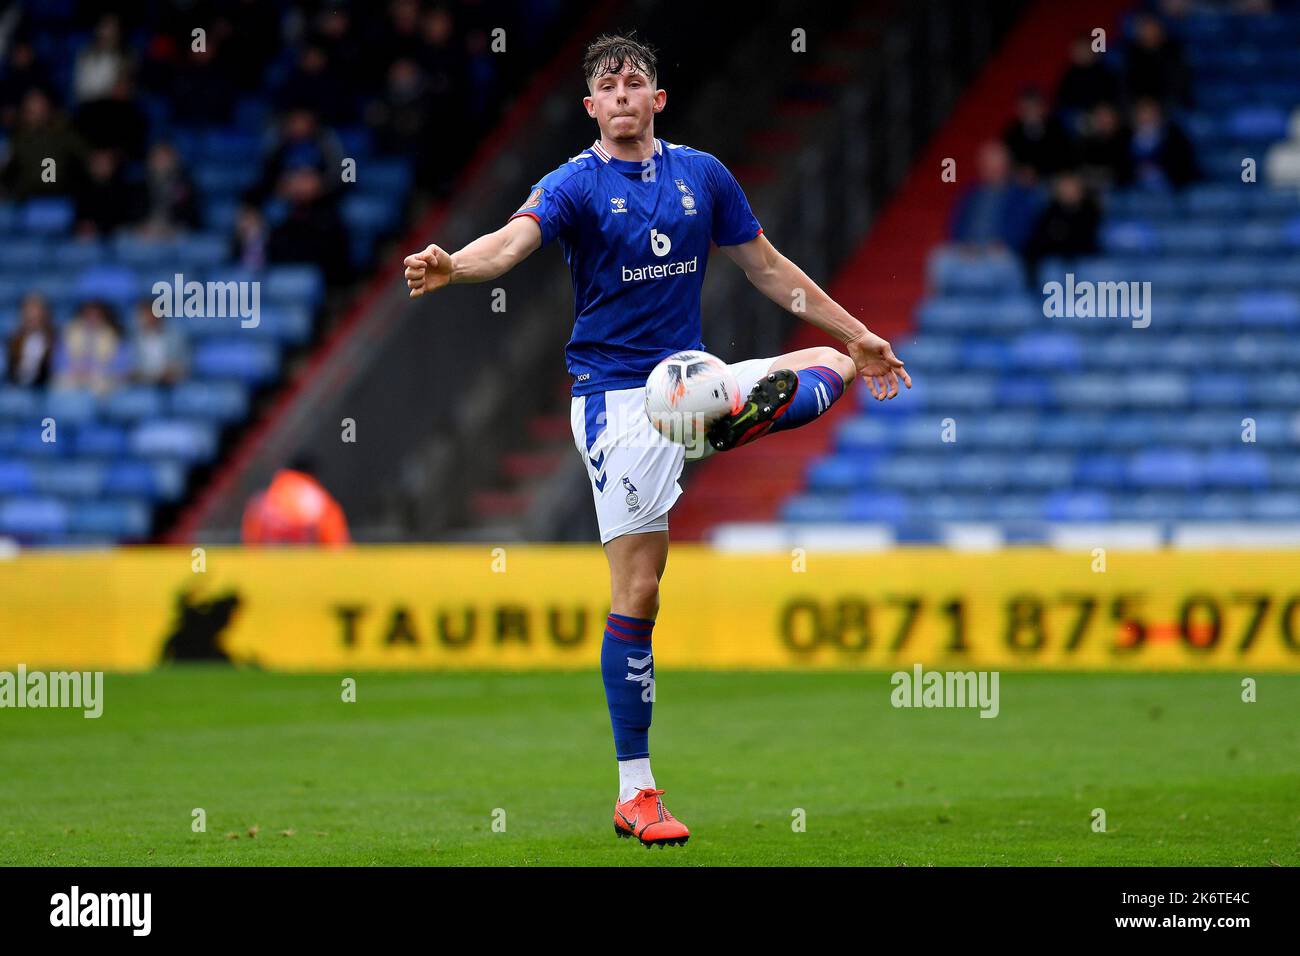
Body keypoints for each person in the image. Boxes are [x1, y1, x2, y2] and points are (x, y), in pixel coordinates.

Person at [402, 33, 909, 849]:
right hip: (617, 404)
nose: (623, 92)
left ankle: (718, 417)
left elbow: (770, 268)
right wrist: (454, 265)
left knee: (826, 359)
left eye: (636, 81)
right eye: (608, 85)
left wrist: (862, 333)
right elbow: (512, 241)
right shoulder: (572, 183)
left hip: (684, 380)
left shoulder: (701, 175)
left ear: (657, 100)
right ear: (593, 108)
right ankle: (635, 793)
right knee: (640, 593)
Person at [241, 461, 351, 546]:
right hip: (309, 564)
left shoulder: (264, 498)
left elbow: (251, 536)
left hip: (268, 562)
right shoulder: (317, 497)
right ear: (311, 474)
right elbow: (336, 541)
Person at [5, 293, 56, 386]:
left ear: (44, 314)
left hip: (43, 388)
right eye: (28, 311)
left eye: (36, 311)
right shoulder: (13, 339)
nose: (32, 315)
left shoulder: (54, 338)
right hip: (16, 387)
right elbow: (10, 371)